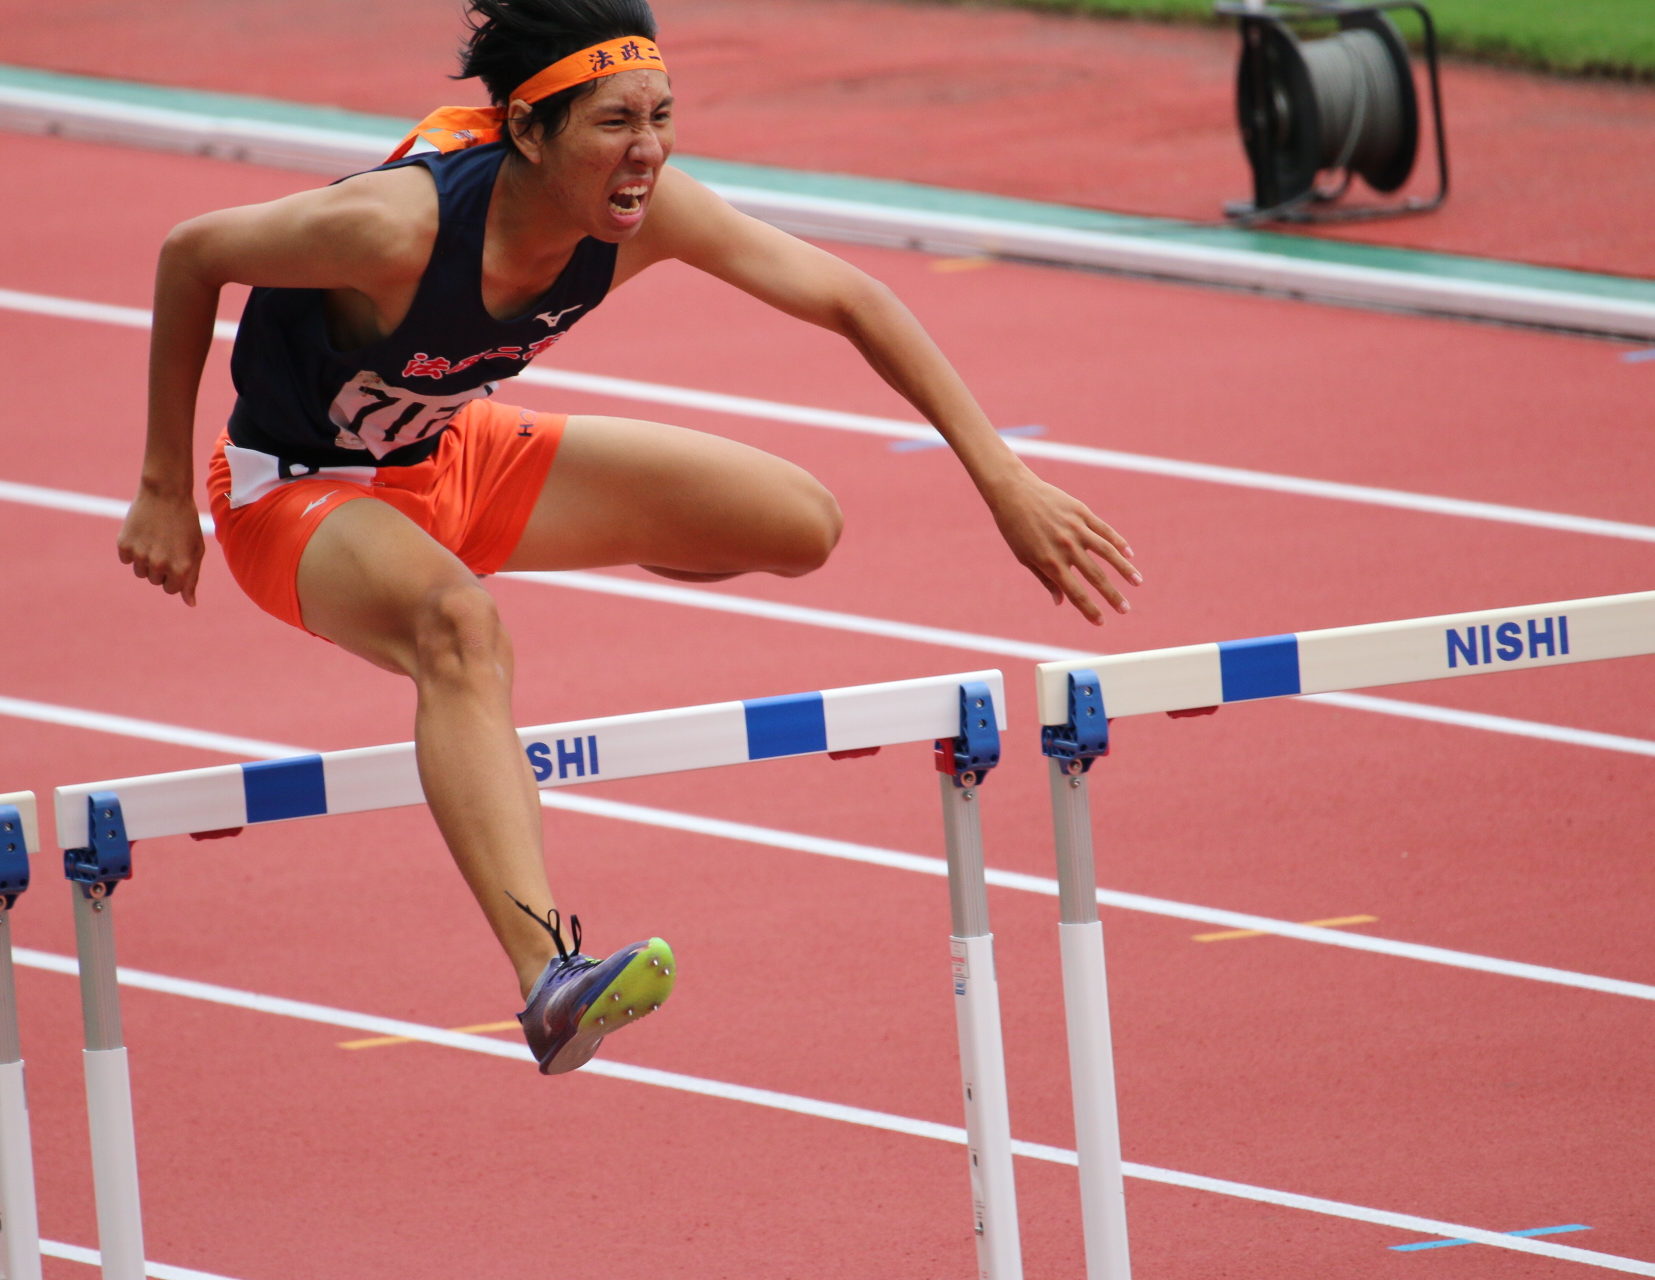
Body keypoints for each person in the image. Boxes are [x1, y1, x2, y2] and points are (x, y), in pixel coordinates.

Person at [117, 0, 1140, 1076]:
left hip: (451, 456)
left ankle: (459, 556)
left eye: (661, 115)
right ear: (526, 130)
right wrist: (160, 487)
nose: (645, 150)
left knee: (800, 522)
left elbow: (853, 297)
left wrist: (1003, 476)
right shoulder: (395, 226)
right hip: (293, 492)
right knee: (460, 627)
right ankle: (547, 978)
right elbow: (193, 254)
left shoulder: (646, 212)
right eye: (612, 122)